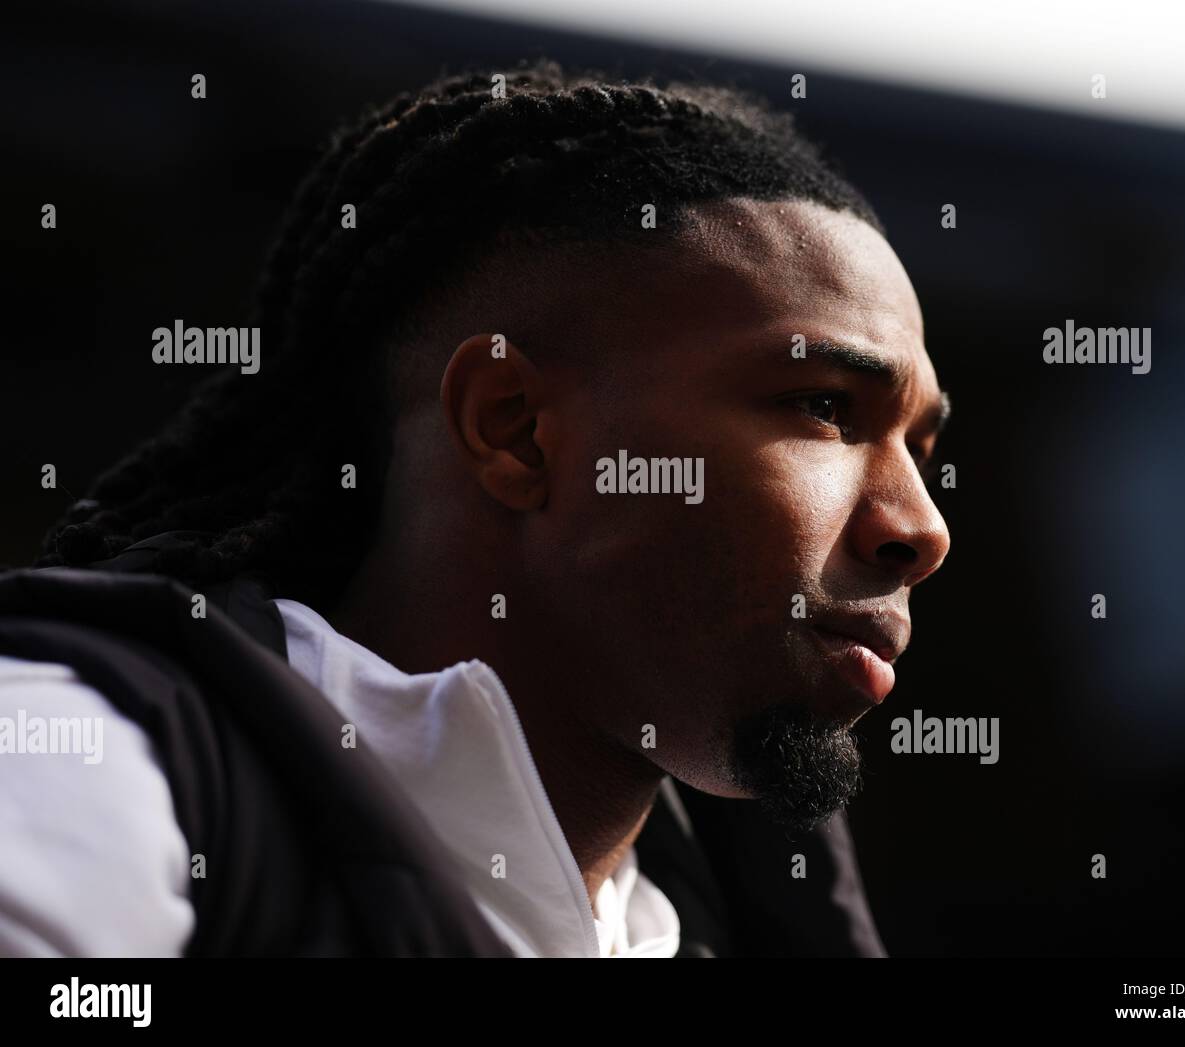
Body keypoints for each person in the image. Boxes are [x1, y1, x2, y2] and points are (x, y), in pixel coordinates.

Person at [0, 58, 950, 957]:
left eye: (919, 444)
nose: (921, 526)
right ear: (514, 428)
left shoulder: (732, 918)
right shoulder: (88, 768)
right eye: (825, 408)